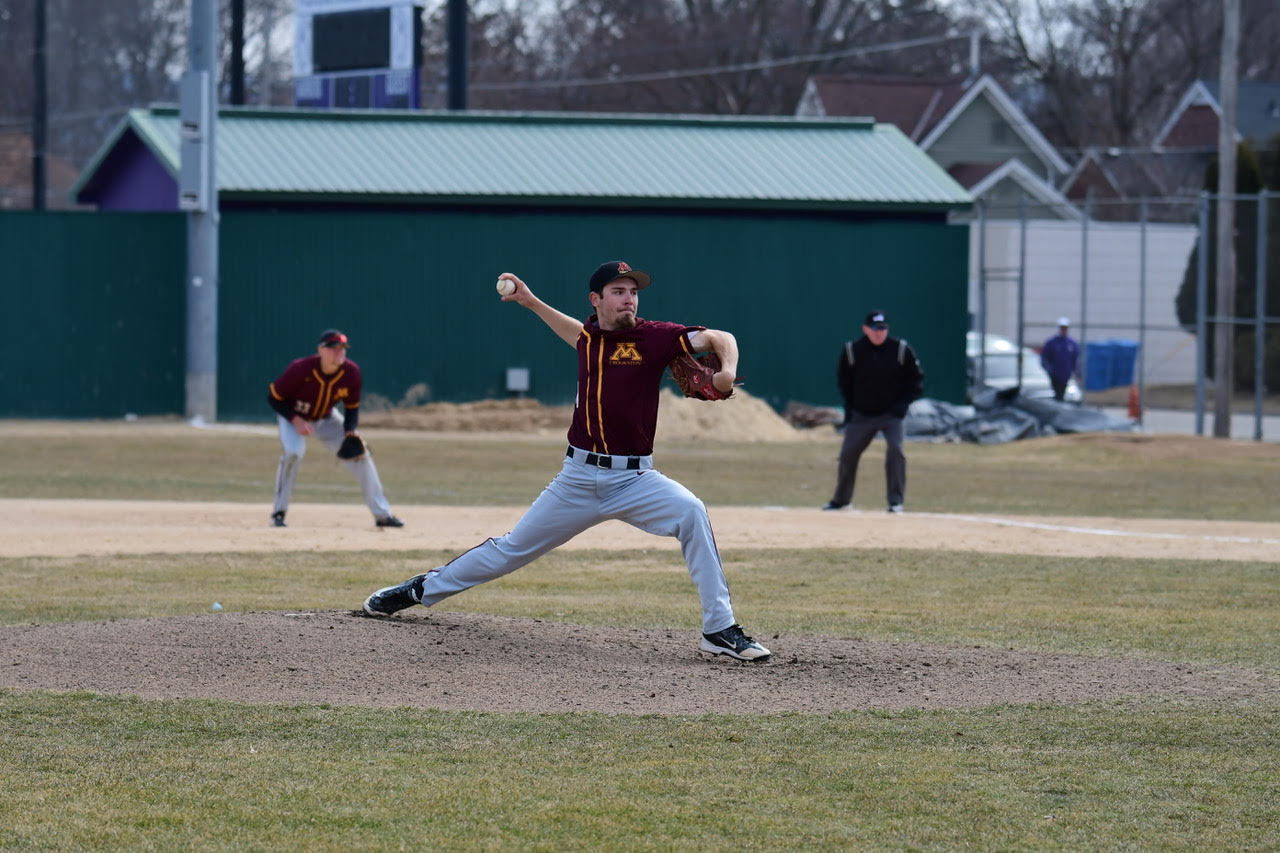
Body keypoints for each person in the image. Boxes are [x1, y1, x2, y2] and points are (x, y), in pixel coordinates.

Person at [362, 261, 770, 661]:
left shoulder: (656, 337)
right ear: (596, 300)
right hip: (577, 479)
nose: (629, 299)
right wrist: (532, 302)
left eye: (633, 292)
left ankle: (719, 628)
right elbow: (572, 330)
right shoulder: (588, 338)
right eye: (619, 291)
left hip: (635, 479)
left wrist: (727, 372)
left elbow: (722, 337)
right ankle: (418, 590)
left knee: (692, 513)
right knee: (510, 550)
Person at [267, 329, 403, 529]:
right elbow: (274, 398)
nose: (339, 353)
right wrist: (295, 419)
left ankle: (382, 515)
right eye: (333, 348)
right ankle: (279, 513)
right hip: (293, 416)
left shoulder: (351, 372)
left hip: (326, 418)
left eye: (342, 349)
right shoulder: (300, 369)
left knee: (361, 455)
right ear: (321, 350)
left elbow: (351, 408)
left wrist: (349, 430)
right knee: (293, 453)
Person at [823, 310, 924, 514]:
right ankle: (841, 501)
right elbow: (845, 383)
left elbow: (916, 381)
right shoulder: (852, 350)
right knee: (847, 455)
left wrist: (901, 407)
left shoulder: (900, 350)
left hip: (891, 414)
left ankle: (895, 502)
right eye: (876, 328)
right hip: (862, 414)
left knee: (896, 451)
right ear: (866, 329)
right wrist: (850, 410)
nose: (880, 332)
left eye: (883, 328)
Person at [1040, 317, 1079, 402]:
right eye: (1062, 328)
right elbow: (1044, 358)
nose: (1063, 330)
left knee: (1064, 396)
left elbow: (1075, 359)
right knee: (1057, 396)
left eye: (1065, 328)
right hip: (1055, 376)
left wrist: (1075, 372)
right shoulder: (1051, 343)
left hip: (1066, 375)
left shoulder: (1072, 343)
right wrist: (1050, 371)